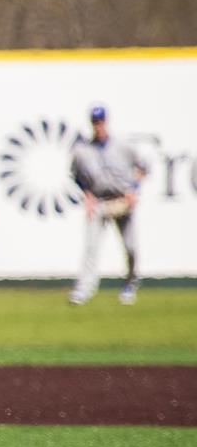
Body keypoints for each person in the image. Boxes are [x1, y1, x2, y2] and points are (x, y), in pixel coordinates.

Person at [68, 102, 145, 307]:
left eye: (100, 121)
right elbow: (75, 175)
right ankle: (84, 290)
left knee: (130, 247)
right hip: (100, 202)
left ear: (106, 122)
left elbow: (144, 167)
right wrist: (87, 195)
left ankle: (130, 285)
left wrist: (134, 191)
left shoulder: (122, 146)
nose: (98, 125)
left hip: (121, 200)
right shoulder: (82, 150)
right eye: (95, 122)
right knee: (91, 247)